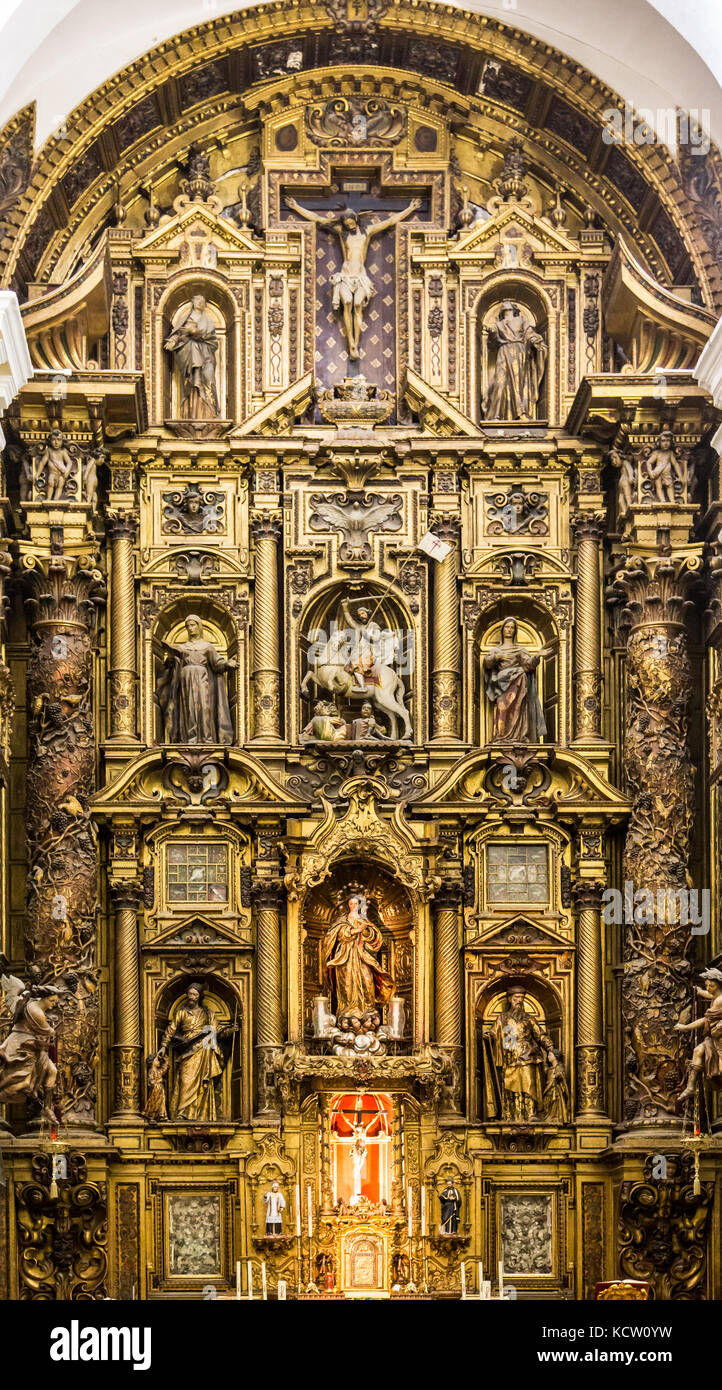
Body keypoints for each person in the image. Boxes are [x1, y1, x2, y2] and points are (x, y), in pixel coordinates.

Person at [285, 197, 420, 359]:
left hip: (361, 277)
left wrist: (410, 209)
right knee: (347, 302)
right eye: (346, 225)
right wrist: (296, 207)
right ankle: (351, 344)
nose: (349, 226)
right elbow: (317, 219)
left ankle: (356, 341)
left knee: (357, 305)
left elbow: (391, 222)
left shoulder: (367, 231)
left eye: (351, 223)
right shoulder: (342, 233)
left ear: (356, 220)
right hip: (345, 276)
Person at [157, 981, 236, 1121]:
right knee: (186, 1080)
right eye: (189, 994)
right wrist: (163, 1045)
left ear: (199, 996)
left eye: (194, 994)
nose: (191, 997)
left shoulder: (208, 1013)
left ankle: (201, 1114)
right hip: (187, 1048)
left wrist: (231, 1030)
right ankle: (182, 1112)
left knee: (202, 1083)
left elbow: (216, 1031)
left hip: (204, 1048)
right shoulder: (181, 1012)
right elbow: (171, 1029)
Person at [155, 614, 237, 745]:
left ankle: (206, 738)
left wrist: (227, 664)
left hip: (202, 678)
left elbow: (217, 663)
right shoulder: (182, 647)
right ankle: (188, 738)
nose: (190, 629)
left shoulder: (207, 647)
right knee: (189, 709)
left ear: (199, 627)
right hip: (186, 679)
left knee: (204, 707)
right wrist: (171, 660)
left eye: (193, 625)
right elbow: (170, 666)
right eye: (187, 626)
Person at [323, 889, 394, 1016]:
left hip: (363, 957)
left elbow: (374, 938)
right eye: (351, 904)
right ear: (348, 905)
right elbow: (336, 936)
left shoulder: (365, 921)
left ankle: (368, 1010)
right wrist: (355, 931)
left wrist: (365, 931)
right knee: (347, 985)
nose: (353, 906)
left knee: (367, 981)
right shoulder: (341, 921)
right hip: (345, 958)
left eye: (356, 904)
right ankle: (347, 1011)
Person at [492, 986, 556, 1121]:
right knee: (511, 1086)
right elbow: (494, 1033)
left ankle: (531, 1113)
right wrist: (489, 1036)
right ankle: (512, 1115)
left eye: (521, 998)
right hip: (509, 1057)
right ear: (510, 999)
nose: (519, 1001)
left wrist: (551, 1048)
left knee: (529, 1084)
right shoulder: (502, 1018)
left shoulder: (529, 1018)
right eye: (516, 998)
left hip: (528, 1055)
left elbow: (540, 1035)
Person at [484, 617, 550, 743]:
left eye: (512, 627)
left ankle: (518, 735)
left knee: (518, 710)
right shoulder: (496, 650)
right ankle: (502, 736)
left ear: (515, 631)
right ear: (503, 630)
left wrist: (537, 656)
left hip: (518, 683)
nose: (509, 630)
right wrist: (497, 657)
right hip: (502, 685)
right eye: (507, 627)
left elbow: (528, 665)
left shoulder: (520, 650)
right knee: (502, 709)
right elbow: (487, 664)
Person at [0, 984, 59, 1113]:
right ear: (44, 998)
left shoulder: (32, 1001)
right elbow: (48, 1031)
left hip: (34, 1046)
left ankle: (47, 1108)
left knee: (53, 1071)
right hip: (21, 1046)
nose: (54, 1004)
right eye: (52, 1001)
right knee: (22, 1081)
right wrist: (53, 1031)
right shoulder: (36, 1012)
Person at [484, 301, 547, 421]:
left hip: (519, 352)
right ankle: (496, 414)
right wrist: (492, 334)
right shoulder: (498, 325)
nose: (506, 306)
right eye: (504, 307)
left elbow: (529, 334)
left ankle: (521, 411)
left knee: (518, 382)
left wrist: (534, 340)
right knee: (500, 382)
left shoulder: (522, 320)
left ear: (514, 309)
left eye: (509, 306)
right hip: (503, 352)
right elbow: (491, 346)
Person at [164, 295, 220, 419]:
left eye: (202, 301)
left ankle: (210, 411)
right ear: (193, 302)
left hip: (206, 355)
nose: (199, 302)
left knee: (209, 379)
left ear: (205, 305)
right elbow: (178, 333)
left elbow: (214, 342)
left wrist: (201, 336)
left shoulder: (209, 322)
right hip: (190, 355)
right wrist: (173, 341)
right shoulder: (186, 318)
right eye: (197, 300)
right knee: (192, 380)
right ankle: (191, 412)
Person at [676, 968, 722, 1102]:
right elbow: (708, 995)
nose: (708, 988)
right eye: (707, 985)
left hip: (719, 1039)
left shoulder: (720, 1000)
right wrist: (699, 991)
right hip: (713, 1037)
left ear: (718, 984)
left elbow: (705, 1020)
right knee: (697, 1051)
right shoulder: (716, 996)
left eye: (711, 985)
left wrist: (686, 1027)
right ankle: (690, 1087)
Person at [143, 1050, 168, 1122]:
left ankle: (162, 1116)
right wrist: (153, 1083)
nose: (159, 1062)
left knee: (162, 1102)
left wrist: (164, 1059)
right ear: (152, 1062)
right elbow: (150, 1080)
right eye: (157, 1060)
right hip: (155, 1089)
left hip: (160, 1088)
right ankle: (151, 1116)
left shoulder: (159, 1070)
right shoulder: (152, 1071)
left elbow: (165, 1068)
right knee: (154, 1102)